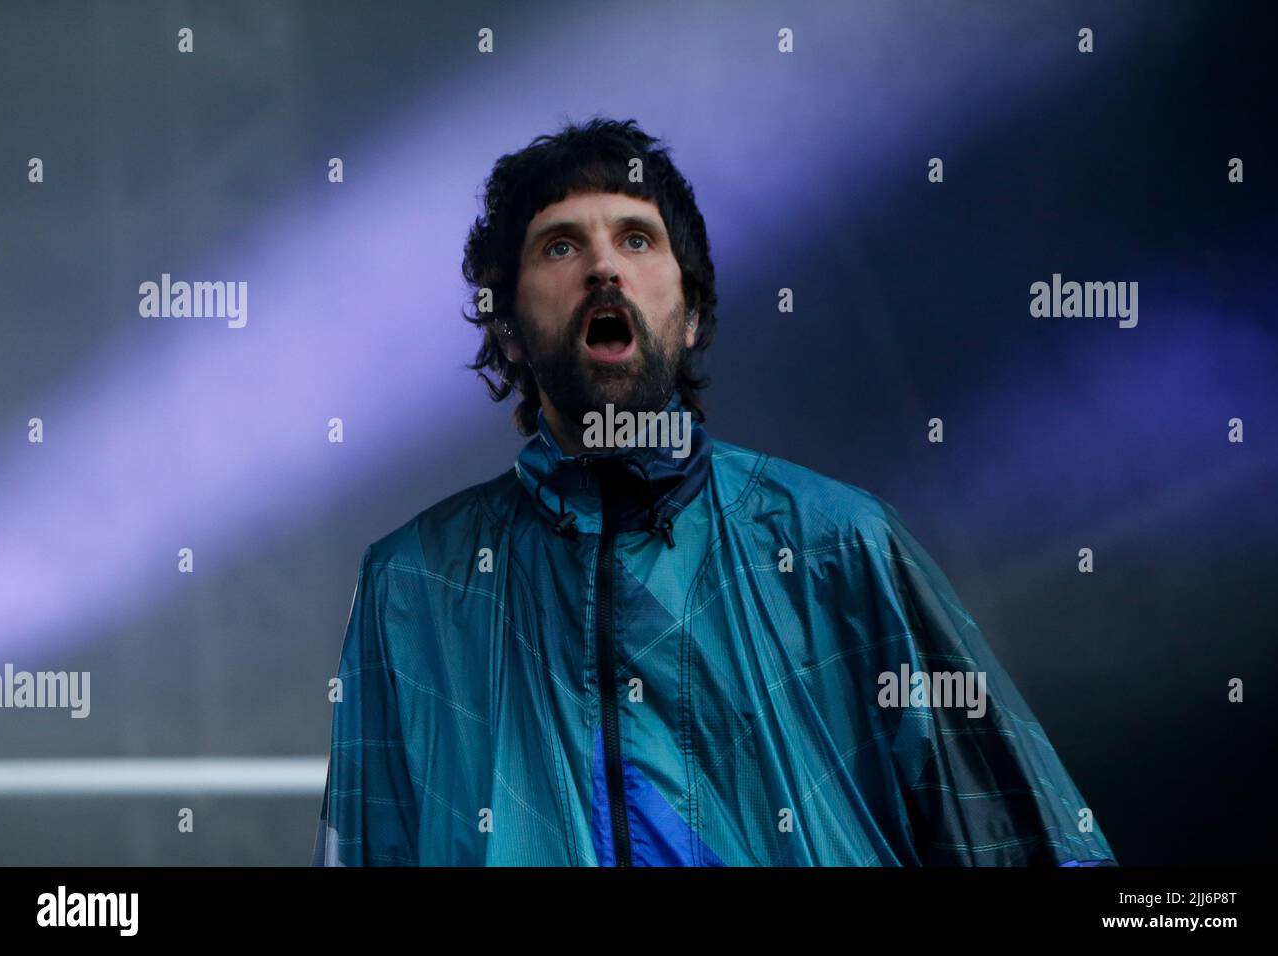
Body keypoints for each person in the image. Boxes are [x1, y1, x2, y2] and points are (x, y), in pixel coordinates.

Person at [311, 116, 1116, 867]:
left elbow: (1029, 838)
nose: (603, 266)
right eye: (559, 246)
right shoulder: (413, 583)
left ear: (690, 313)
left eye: (637, 238)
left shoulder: (837, 543)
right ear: (507, 326)